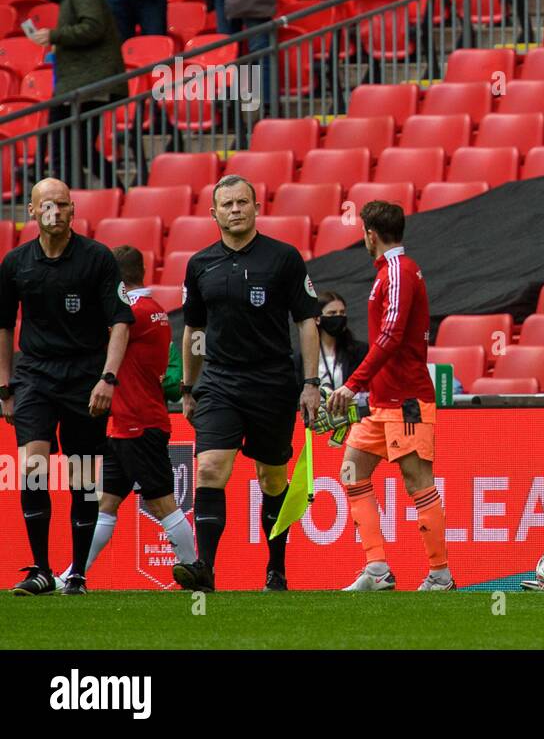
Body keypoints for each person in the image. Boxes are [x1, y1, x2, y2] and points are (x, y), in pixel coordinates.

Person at [175, 175, 322, 592]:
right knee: (208, 469)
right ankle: (204, 568)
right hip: (220, 381)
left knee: (272, 477)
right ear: (214, 213)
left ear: (257, 207)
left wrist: (310, 382)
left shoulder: (283, 258)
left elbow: (306, 322)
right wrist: (189, 387)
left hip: (272, 381)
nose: (235, 209)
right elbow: (193, 331)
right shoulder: (200, 263)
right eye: (227, 204)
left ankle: (276, 569)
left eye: (243, 202)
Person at [0, 178, 133, 595]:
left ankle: (76, 572)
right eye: (46, 205)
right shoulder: (15, 263)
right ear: (32, 212)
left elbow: (121, 323)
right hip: (36, 375)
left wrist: (107, 379)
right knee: (34, 466)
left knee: (81, 477)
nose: (54, 212)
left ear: (73, 210)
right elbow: (3, 326)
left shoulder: (97, 259)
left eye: (62, 204)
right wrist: (5, 386)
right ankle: (40, 568)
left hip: (85, 377)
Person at [327, 201, 455, 592]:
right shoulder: (389, 273)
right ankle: (377, 571)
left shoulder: (399, 270)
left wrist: (353, 384)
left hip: (406, 401)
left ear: (370, 234)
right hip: (384, 402)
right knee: (352, 471)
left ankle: (440, 575)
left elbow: (390, 336)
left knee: (417, 481)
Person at [56, 245, 199, 587]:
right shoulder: (155, 310)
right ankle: (74, 574)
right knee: (106, 503)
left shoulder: (131, 311)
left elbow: (91, 339)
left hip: (138, 421)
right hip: (127, 422)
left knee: (162, 501)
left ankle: (197, 569)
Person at [26, 0, 125, 188]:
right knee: (78, 147)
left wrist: (55, 36)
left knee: (69, 147)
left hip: (90, 83)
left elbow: (93, 27)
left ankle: (70, 195)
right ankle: (116, 190)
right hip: (79, 83)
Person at [295, 289, 368, 390]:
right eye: (332, 313)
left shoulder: (359, 351)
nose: (338, 316)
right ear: (317, 319)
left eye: (342, 312)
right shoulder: (302, 355)